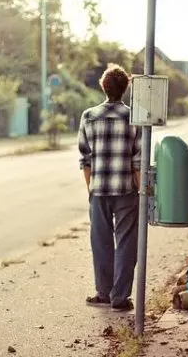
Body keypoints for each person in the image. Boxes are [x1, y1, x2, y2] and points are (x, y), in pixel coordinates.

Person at [78, 63, 141, 311]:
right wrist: (140, 190)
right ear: (125, 89)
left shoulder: (89, 116)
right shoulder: (135, 116)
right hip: (126, 190)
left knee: (100, 241)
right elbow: (138, 159)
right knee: (126, 243)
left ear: (103, 87)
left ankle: (103, 293)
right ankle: (120, 298)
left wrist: (91, 188)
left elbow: (85, 159)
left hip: (98, 190)